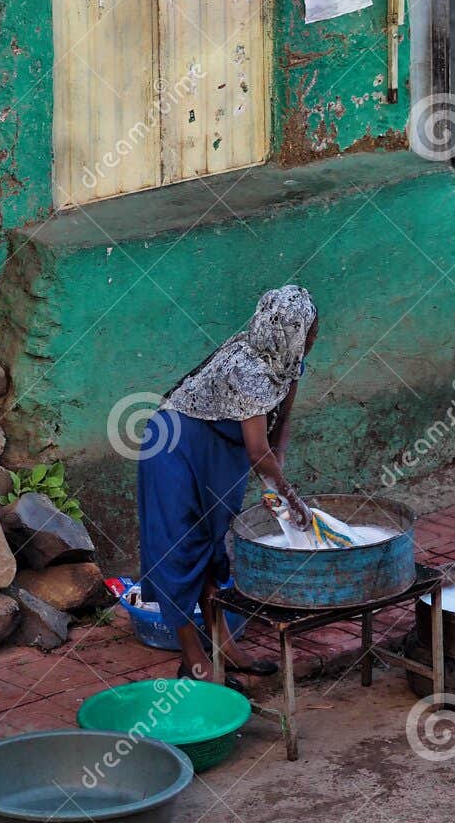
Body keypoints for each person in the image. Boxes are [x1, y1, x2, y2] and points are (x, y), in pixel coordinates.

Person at [136, 285, 319, 684]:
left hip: (218, 451)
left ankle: (224, 648)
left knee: (210, 545)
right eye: (309, 331)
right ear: (289, 330)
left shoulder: (288, 364)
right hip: (175, 445)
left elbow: (278, 429)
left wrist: (276, 483)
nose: (313, 339)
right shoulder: (247, 369)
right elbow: (257, 452)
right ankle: (193, 660)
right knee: (179, 548)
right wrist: (289, 495)